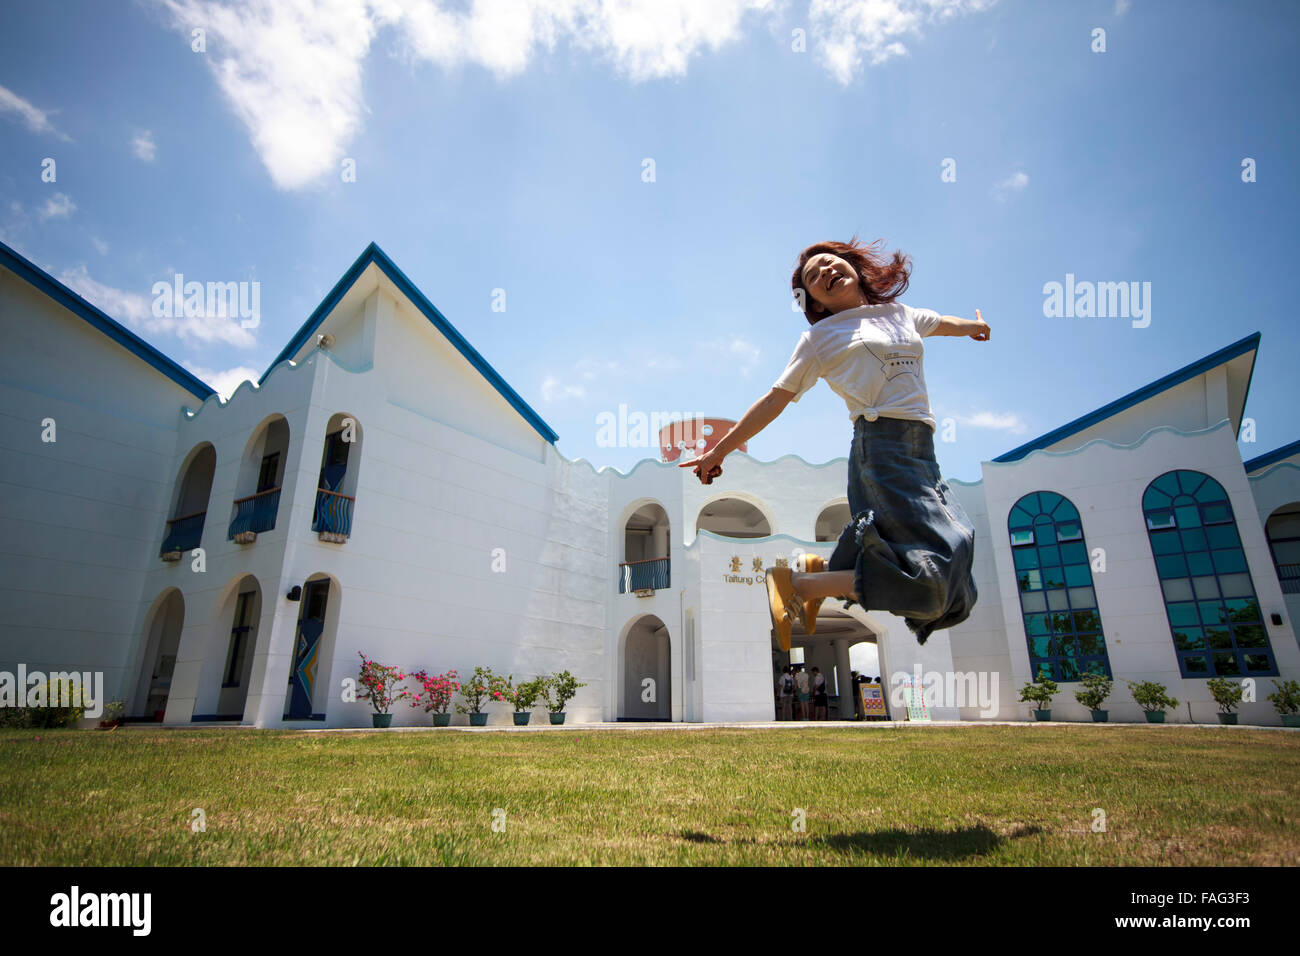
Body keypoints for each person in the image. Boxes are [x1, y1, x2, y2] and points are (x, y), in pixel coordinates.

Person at [681, 235, 984, 651]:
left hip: (923, 451)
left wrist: (974, 327)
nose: (825, 270)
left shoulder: (900, 314)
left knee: (958, 576)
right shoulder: (820, 339)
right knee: (931, 586)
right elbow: (775, 399)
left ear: (854, 269)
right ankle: (799, 584)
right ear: (816, 303)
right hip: (882, 450)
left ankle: (818, 571)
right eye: (813, 275)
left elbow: (941, 324)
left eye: (829, 262)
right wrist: (719, 451)